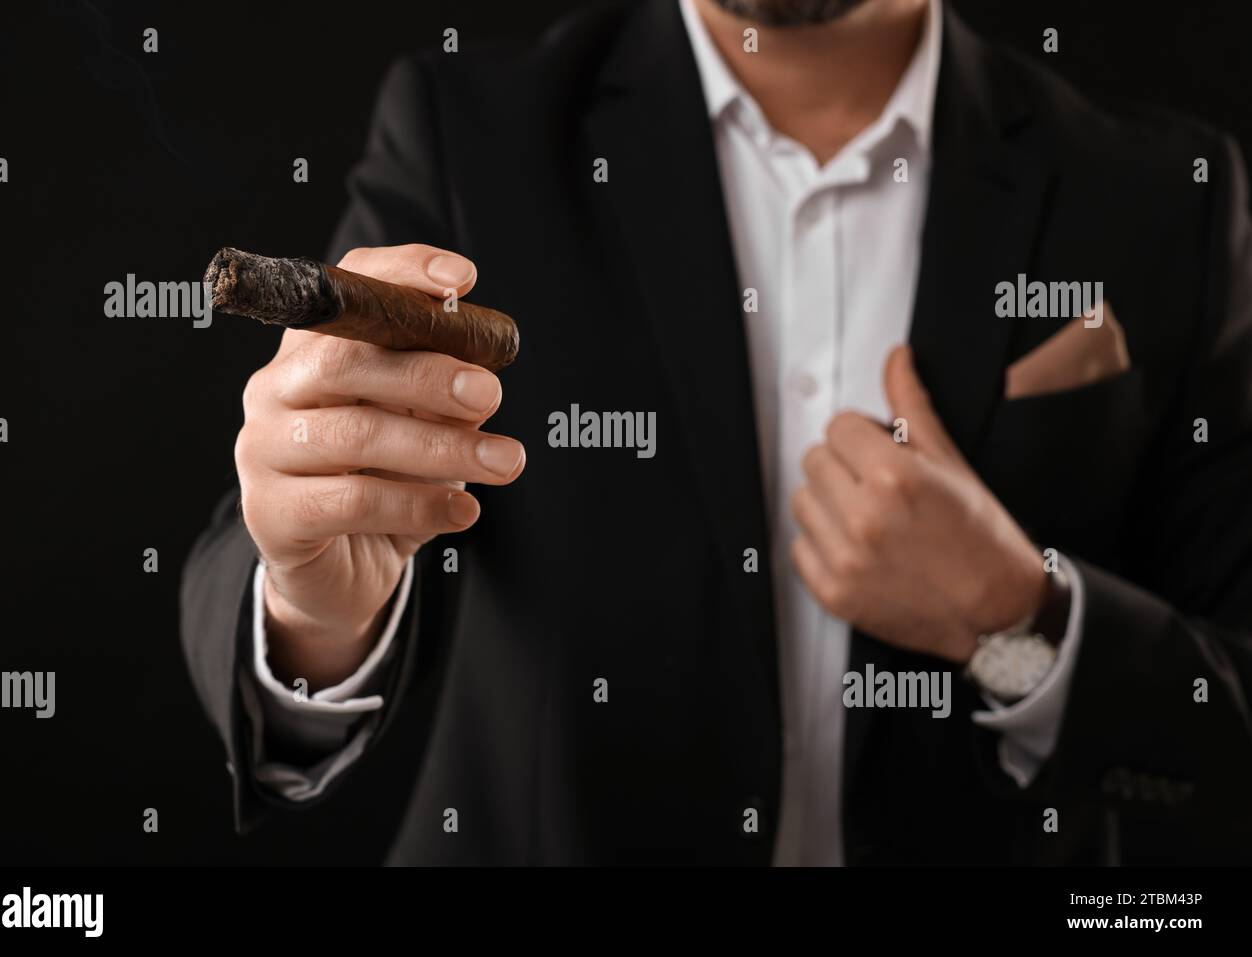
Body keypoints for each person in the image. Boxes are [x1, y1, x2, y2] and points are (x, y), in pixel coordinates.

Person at [181, 0, 1252, 864]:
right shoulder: (465, 132)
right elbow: (290, 550)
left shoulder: (1162, 197)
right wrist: (314, 608)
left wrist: (1020, 621)